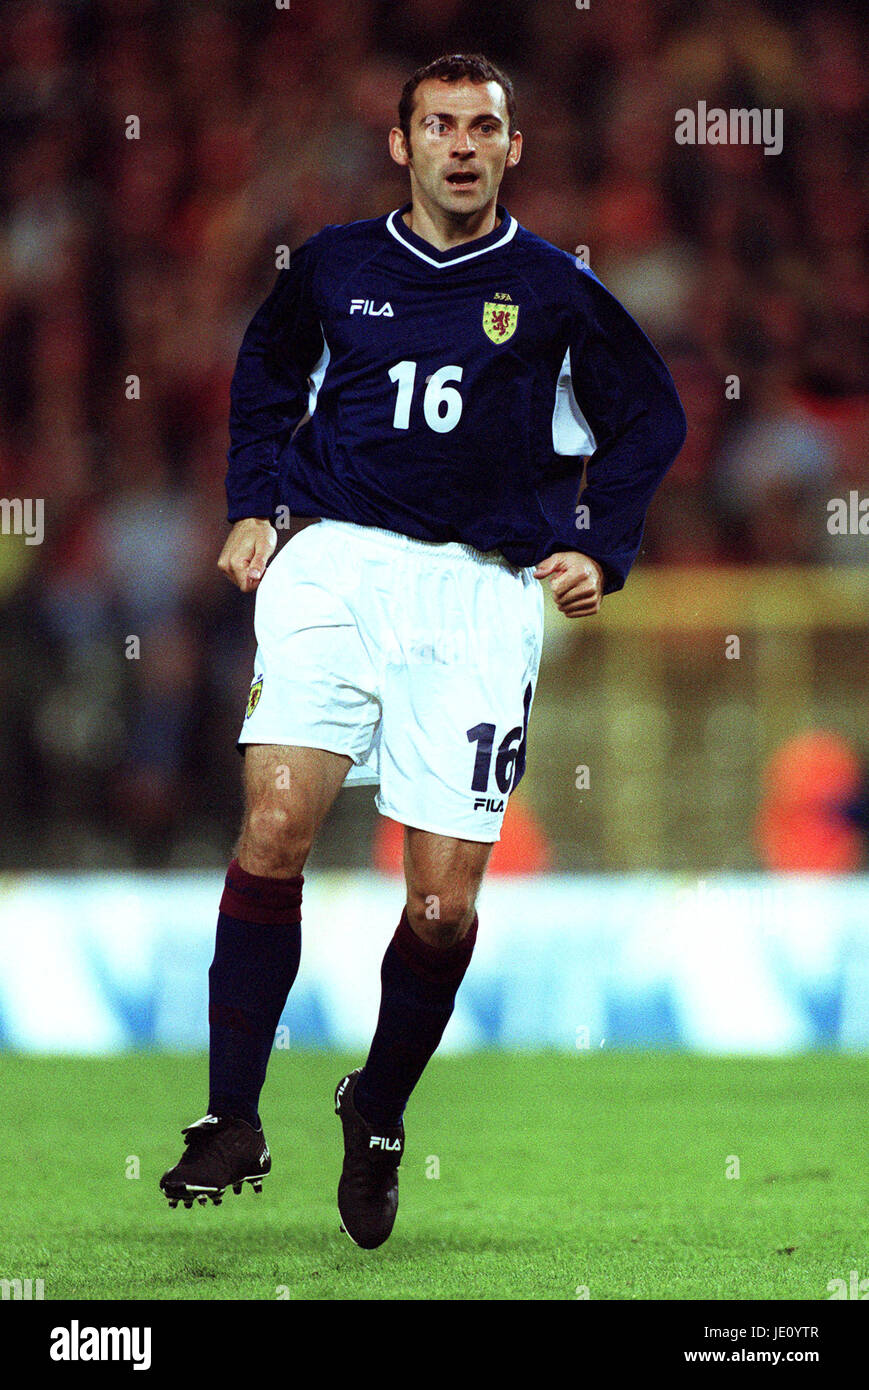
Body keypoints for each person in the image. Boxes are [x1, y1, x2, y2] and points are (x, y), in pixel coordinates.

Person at [159, 52, 686, 1248]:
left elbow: (650, 414)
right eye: (437, 125)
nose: (459, 144)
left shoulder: (553, 290)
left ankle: (377, 1107)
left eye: (482, 127)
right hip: (334, 560)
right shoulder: (337, 265)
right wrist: (253, 498)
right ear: (400, 145)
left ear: (513, 149)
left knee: (441, 908)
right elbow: (264, 369)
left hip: (478, 593)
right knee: (277, 820)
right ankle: (230, 1117)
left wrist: (600, 544)